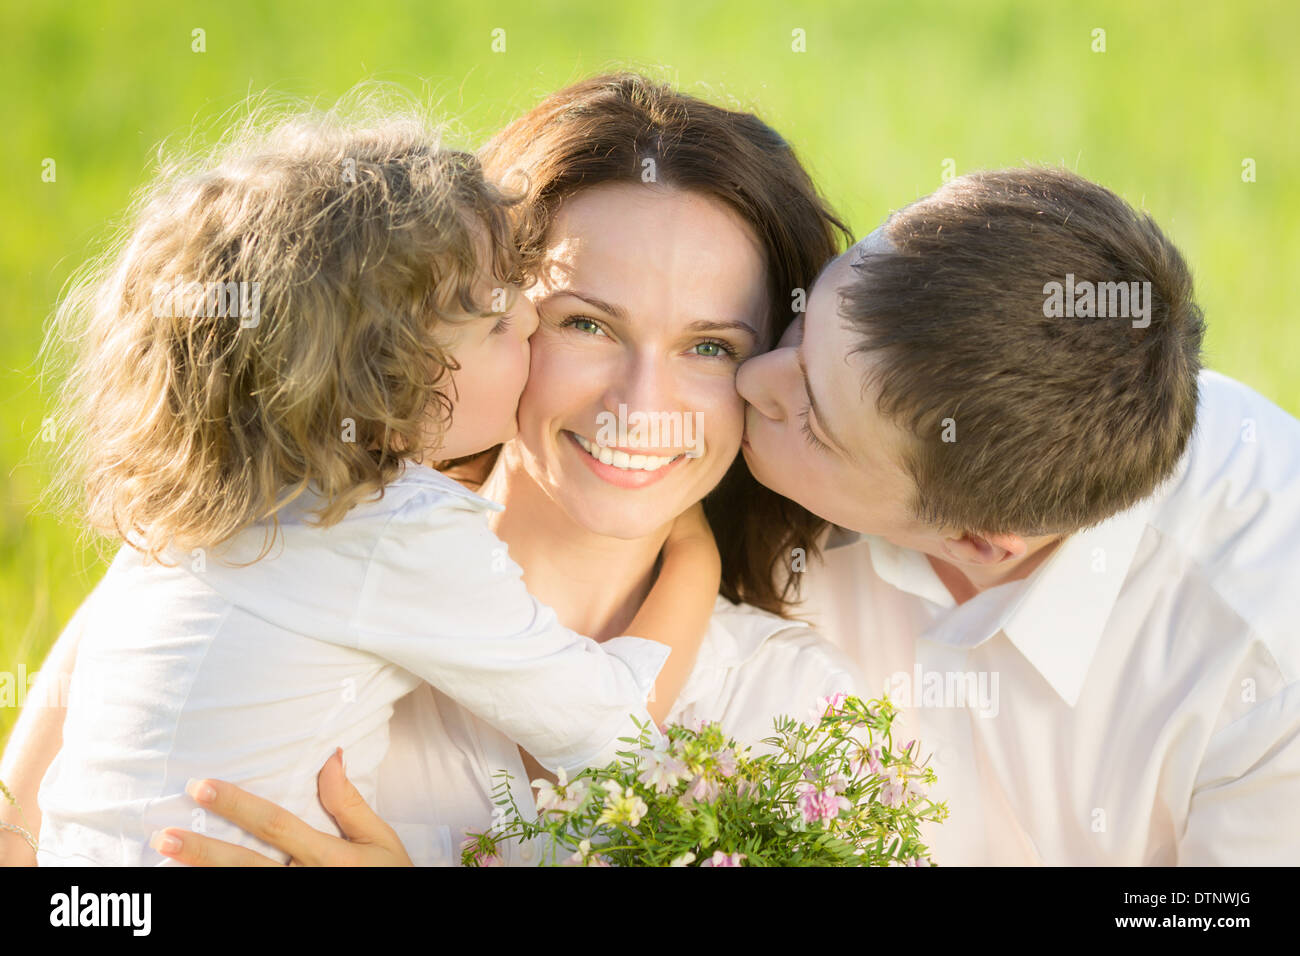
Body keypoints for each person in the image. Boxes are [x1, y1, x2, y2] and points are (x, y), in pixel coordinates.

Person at [1, 74, 867, 868]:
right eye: (582, 324)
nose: (642, 408)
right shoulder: (329, 543)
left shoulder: (793, 712)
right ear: (406, 339)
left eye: (710, 346)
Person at [736, 166, 1300, 865]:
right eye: (800, 326)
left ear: (977, 541)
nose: (749, 377)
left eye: (814, 421)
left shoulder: (1270, 665)